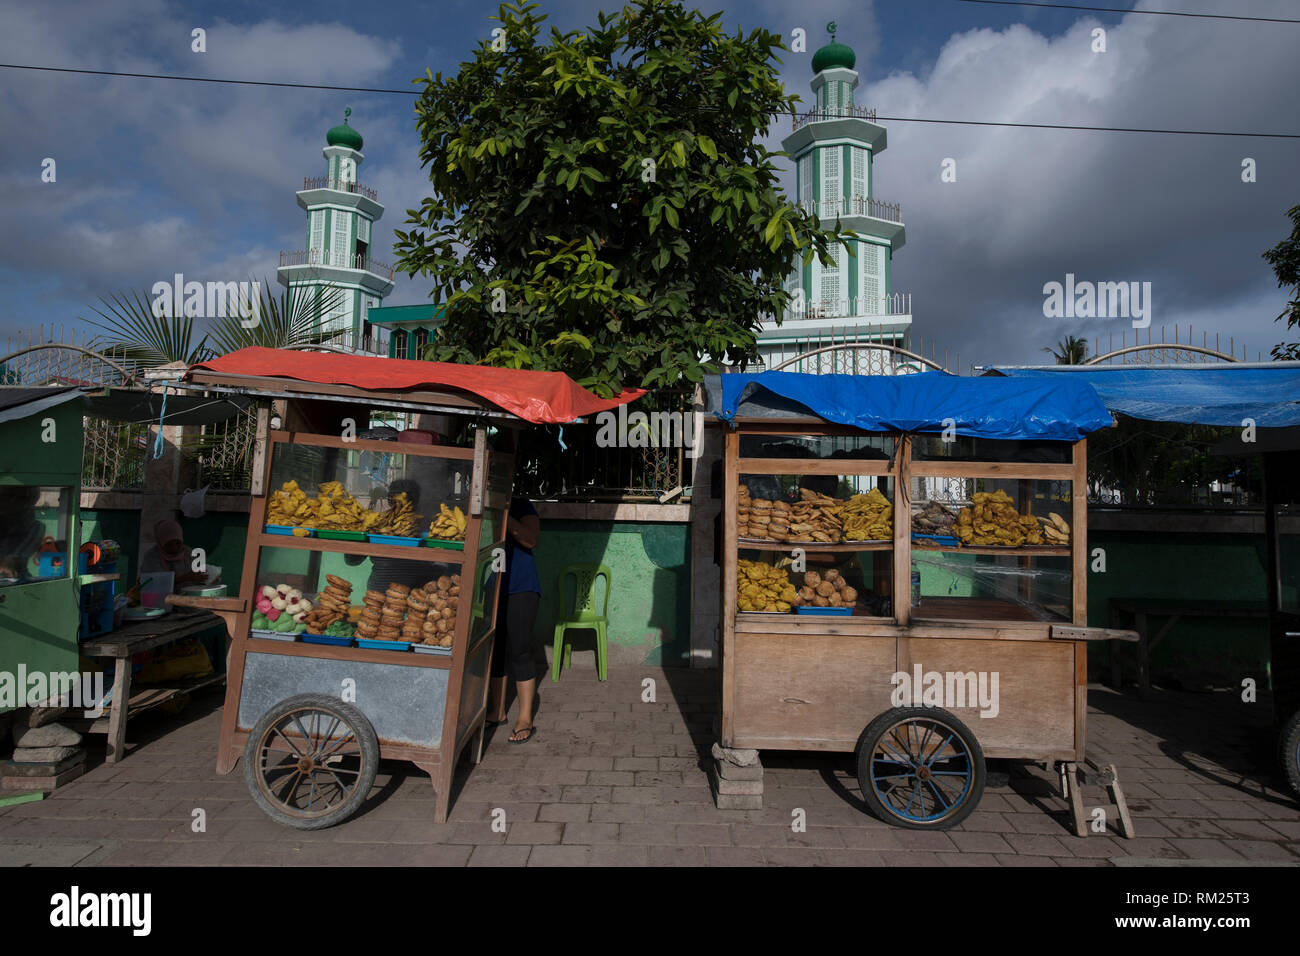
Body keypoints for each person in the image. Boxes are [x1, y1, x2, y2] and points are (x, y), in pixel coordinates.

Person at [485, 496, 542, 743]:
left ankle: (525, 718)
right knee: (495, 648)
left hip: (522, 586)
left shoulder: (520, 505)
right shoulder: (480, 505)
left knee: (519, 648)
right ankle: (496, 711)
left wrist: (506, 517)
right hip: (493, 584)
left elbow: (531, 540)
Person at [139, 518, 206, 590]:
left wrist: (207, 579)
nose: (174, 548)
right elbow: (155, 582)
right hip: (159, 598)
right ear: (161, 542)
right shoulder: (151, 556)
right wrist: (186, 577)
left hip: (186, 598)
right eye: (168, 544)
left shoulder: (188, 552)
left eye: (178, 543)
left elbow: (199, 577)